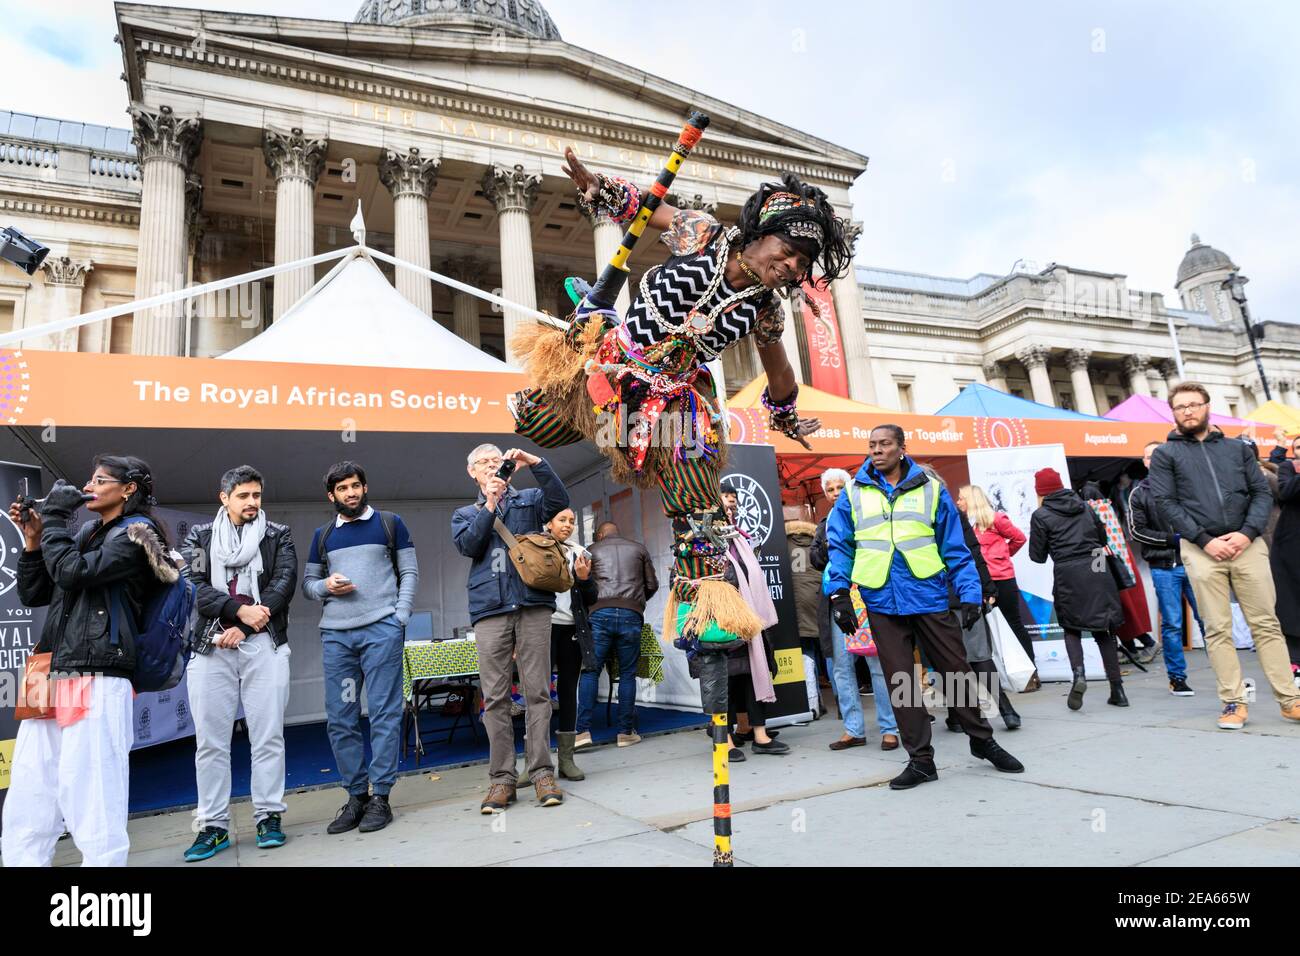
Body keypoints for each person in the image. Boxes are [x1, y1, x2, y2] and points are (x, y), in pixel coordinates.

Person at [510, 151, 854, 683]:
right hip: (617, 365)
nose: (790, 267)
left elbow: (779, 367)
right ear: (760, 235)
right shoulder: (707, 235)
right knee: (542, 421)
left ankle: (707, 607)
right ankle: (556, 381)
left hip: (676, 394)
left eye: (801, 264)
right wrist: (596, 184)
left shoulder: (765, 310)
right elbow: (646, 209)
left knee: (697, 498)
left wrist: (784, 411)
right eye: (786, 252)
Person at [825, 425, 1023, 789]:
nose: (877, 451)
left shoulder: (932, 489)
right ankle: (920, 760)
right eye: (872, 445)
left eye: (885, 444)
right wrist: (837, 593)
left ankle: (982, 740)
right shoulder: (853, 493)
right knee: (901, 681)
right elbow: (839, 544)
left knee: (956, 671)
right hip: (881, 599)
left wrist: (969, 593)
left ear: (902, 448)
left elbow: (956, 547)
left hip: (929, 594)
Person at [2, 457, 176, 867]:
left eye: (100, 480)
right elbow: (35, 592)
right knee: (31, 787)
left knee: (94, 791)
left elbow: (73, 572)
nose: (89, 485)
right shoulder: (84, 533)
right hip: (51, 668)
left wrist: (57, 516)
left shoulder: (137, 535)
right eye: (90, 478)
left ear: (128, 489)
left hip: (99, 672)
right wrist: (33, 539)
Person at [1148, 384, 1300, 729]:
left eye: (1193, 405)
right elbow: (1165, 503)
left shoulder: (1237, 450)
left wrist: (1247, 533)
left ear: (1207, 407)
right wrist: (1204, 540)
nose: (1187, 411)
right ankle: (1233, 701)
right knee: (1217, 629)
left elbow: (1261, 493)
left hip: (1247, 544)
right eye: (1180, 407)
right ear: (1173, 413)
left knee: (1266, 624)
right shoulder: (1165, 455)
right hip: (1201, 549)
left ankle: (1290, 699)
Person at [180, 465, 298, 861]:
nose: (252, 502)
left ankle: (268, 816)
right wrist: (236, 611)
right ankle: (213, 826)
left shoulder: (278, 534)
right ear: (224, 498)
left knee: (267, 736)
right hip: (210, 645)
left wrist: (246, 627)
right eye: (243, 495)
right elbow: (195, 587)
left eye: (257, 495)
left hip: (264, 644)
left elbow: (283, 586)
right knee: (210, 742)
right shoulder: (199, 536)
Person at [452, 444, 571, 812]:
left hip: (532, 603)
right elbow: (470, 545)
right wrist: (490, 504)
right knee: (496, 698)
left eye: (496, 461)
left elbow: (559, 499)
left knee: (538, 692)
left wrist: (537, 462)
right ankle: (502, 780)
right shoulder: (464, 513)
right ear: (472, 473)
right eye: (483, 463)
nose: (491, 467)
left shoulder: (531, 500)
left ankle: (541, 774)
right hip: (490, 609)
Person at [303, 460, 419, 834]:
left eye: (355, 486)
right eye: (342, 489)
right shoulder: (323, 535)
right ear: (331, 495)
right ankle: (357, 796)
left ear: (364, 487)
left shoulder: (390, 523)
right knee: (342, 717)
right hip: (337, 636)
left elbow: (410, 572)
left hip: (382, 631)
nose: (350, 493)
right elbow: (308, 584)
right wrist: (325, 587)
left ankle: (381, 796)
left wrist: (399, 616)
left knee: (384, 713)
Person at [811, 468, 899, 751]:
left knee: (878, 665)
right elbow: (815, 558)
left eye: (840, 487)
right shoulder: (823, 524)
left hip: (868, 597)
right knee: (841, 667)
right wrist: (829, 544)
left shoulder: (866, 515)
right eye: (830, 489)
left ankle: (890, 728)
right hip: (838, 600)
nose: (836, 493)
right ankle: (853, 729)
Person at [1028, 468, 1128, 710]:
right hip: (1096, 563)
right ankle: (1118, 690)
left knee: (1071, 626)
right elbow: (1102, 541)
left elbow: (1037, 556)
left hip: (1068, 569)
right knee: (1104, 628)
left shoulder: (1041, 514)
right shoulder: (1084, 506)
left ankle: (1079, 675)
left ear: (1040, 492)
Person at [931, 469, 1020, 731]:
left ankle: (958, 716)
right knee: (979, 655)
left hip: (935, 599)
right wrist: (986, 587)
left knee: (946, 658)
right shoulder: (956, 515)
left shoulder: (913, 520)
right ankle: (1006, 711)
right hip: (964, 594)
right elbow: (973, 552)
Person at [1128, 441, 1201, 696]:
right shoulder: (1139, 493)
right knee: (1172, 624)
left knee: (1210, 621)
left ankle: (1227, 674)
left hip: (1195, 563)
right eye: (1149, 456)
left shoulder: (1186, 486)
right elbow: (1137, 531)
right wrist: (1173, 540)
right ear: (1144, 462)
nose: (1154, 460)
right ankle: (1177, 678)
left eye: (1158, 455)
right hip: (1163, 566)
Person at [577, 520, 658, 748]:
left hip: (599, 614)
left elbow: (581, 584)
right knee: (627, 673)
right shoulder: (639, 548)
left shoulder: (590, 551)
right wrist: (634, 604)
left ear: (600, 534)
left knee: (590, 671)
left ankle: (582, 732)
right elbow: (652, 584)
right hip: (631, 615)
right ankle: (625, 733)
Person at [957, 484, 1040, 691]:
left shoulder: (996, 519)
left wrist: (1001, 555)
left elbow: (1019, 538)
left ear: (971, 500)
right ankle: (999, 677)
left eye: (961, 498)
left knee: (1014, 625)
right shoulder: (963, 524)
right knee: (987, 631)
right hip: (980, 583)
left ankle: (1031, 675)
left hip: (1003, 580)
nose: (958, 502)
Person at [539, 508, 596, 782]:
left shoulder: (580, 552)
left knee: (568, 690)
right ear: (548, 523)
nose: (568, 525)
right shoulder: (535, 547)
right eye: (562, 520)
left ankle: (566, 760)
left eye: (572, 521)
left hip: (572, 629)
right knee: (537, 694)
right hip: (541, 629)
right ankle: (536, 763)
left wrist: (584, 580)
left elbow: (593, 595)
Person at [786, 515, 827, 717]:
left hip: (796, 605)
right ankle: (838, 699)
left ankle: (813, 701)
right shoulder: (816, 542)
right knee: (829, 652)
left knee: (805, 651)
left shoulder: (783, 544)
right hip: (819, 600)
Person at [1268, 431, 1300, 686]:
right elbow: (1286, 492)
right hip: (1290, 545)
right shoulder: (1288, 469)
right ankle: (1295, 662)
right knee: (1290, 603)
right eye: (1297, 447)